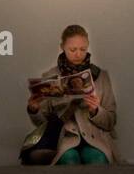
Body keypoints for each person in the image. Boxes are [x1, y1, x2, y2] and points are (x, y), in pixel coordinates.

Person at [20, 24, 119, 165]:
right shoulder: (50, 77)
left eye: (83, 49)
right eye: (72, 50)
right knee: (69, 159)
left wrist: (96, 110)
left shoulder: (101, 77)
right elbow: (42, 123)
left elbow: (111, 120)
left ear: (88, 46)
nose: (78, 54)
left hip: (95, 139)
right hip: (64, 138)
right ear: (62, 47)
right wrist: (34, 109)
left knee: (97, 159)